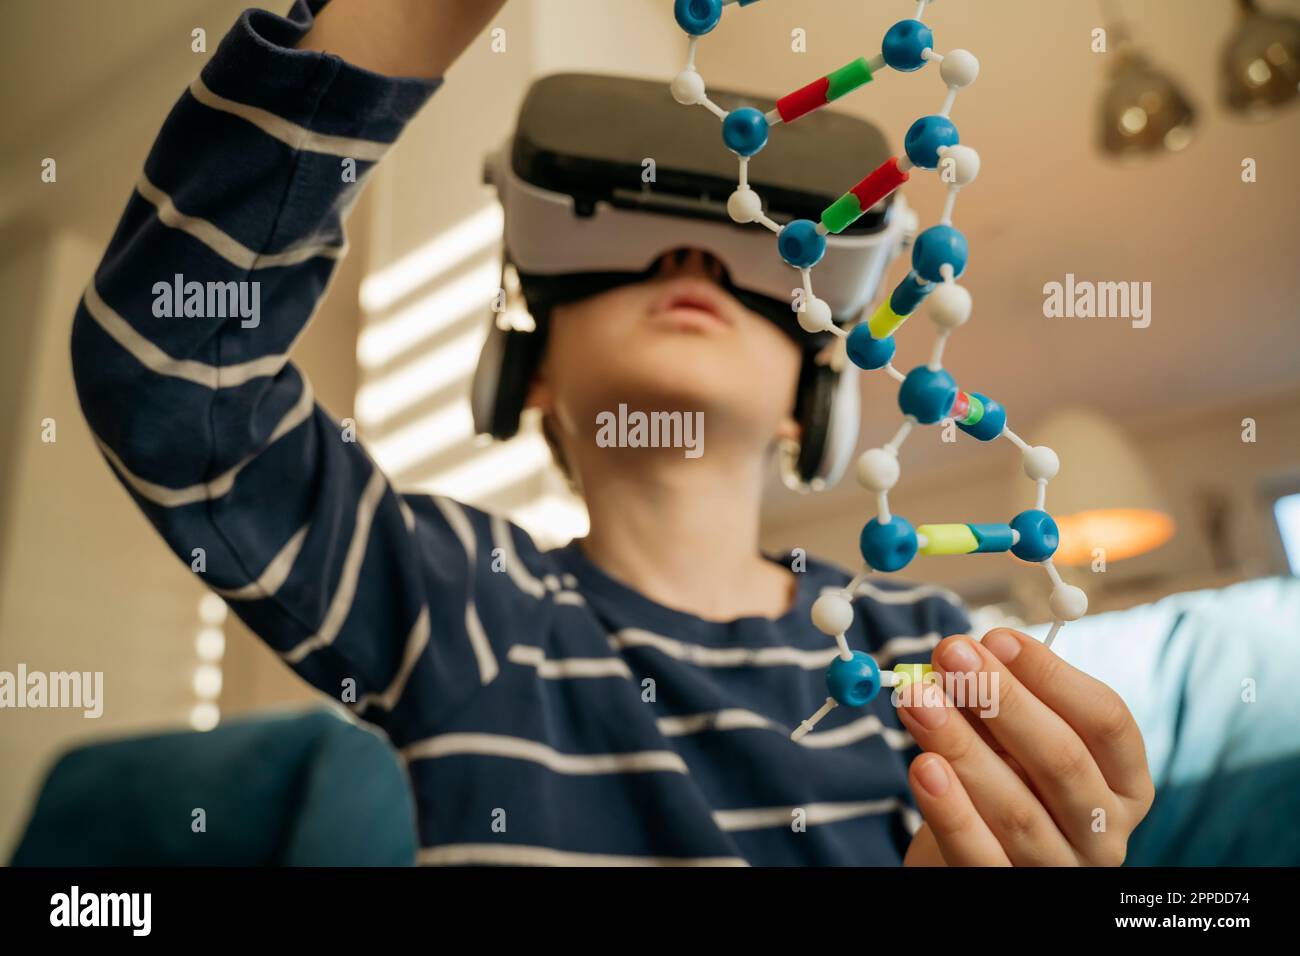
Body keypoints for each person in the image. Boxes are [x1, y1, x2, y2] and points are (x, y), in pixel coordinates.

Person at [70, 0, 1153, 866]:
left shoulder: (908, 639)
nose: (691, 263)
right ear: (528, 373)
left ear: (808, 400)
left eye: (749, 270)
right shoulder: (464, 601)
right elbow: (170, 379)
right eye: (640, 250)